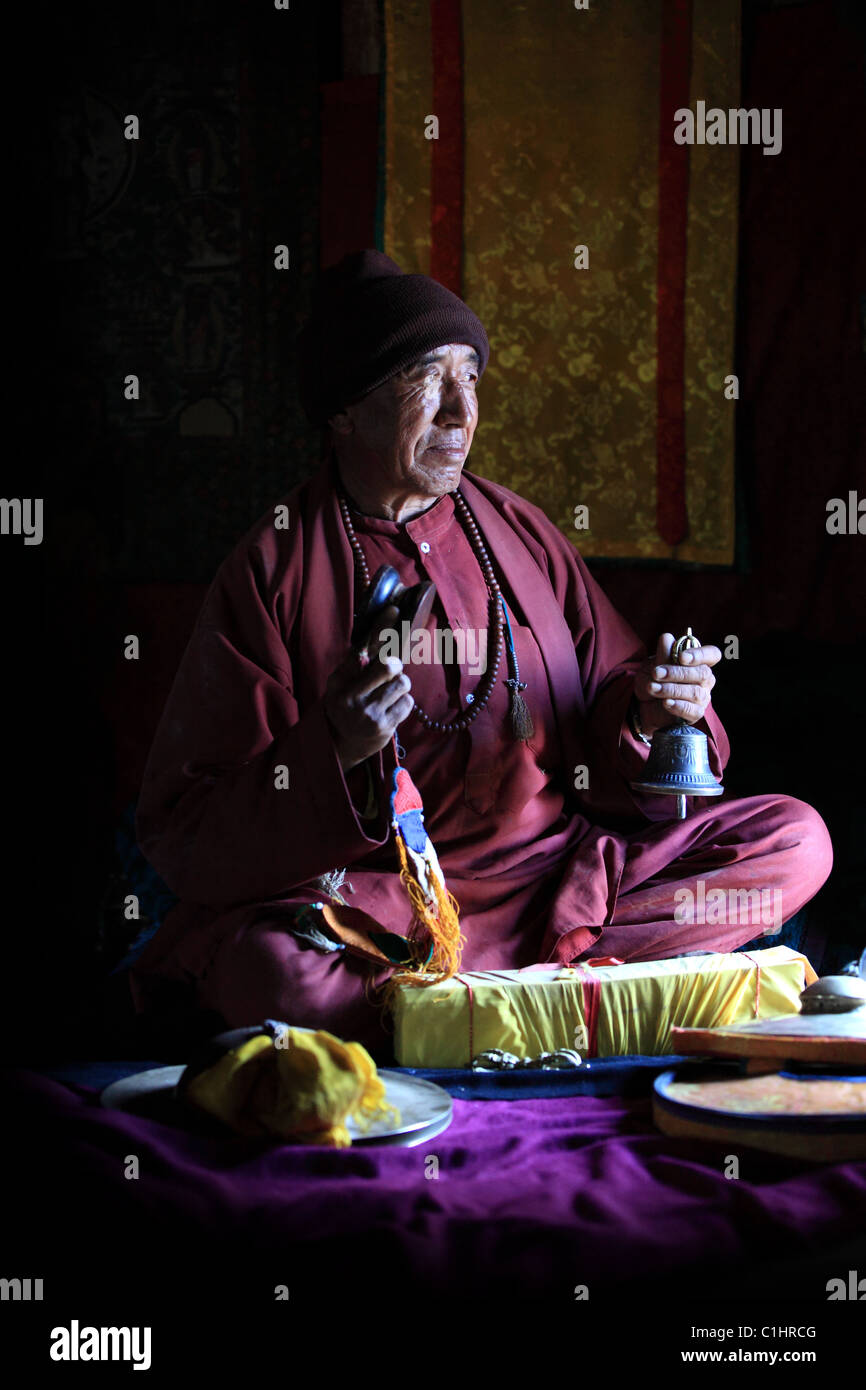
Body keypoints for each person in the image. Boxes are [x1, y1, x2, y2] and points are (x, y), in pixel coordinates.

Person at [131, 250, 833, 1057]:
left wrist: (651, 708)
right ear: (342, 412)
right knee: (278, 974)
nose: (463, 412)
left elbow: (613, 691)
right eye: (425, 379)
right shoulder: (271, 569)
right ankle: (567, 1002)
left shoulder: (520, 532)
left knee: (795, 841)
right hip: (382, 909)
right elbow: (187, 824)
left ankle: (458, 1020)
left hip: (562, 885)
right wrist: (335, 749)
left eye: (472, 378)